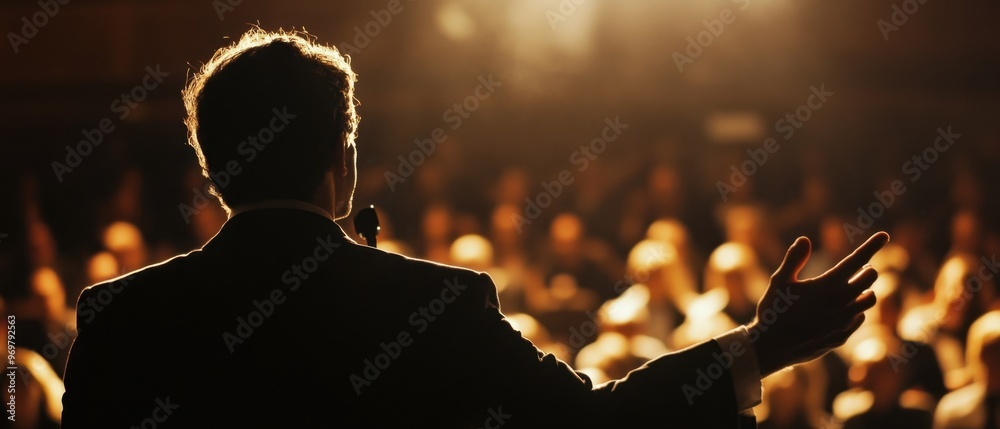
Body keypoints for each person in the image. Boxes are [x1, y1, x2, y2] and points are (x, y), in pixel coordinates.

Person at [61, 28, 889, 428]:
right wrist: (763, 345)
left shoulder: (116, 319)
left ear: (212, 171)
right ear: (344, 165)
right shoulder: (437, 306)